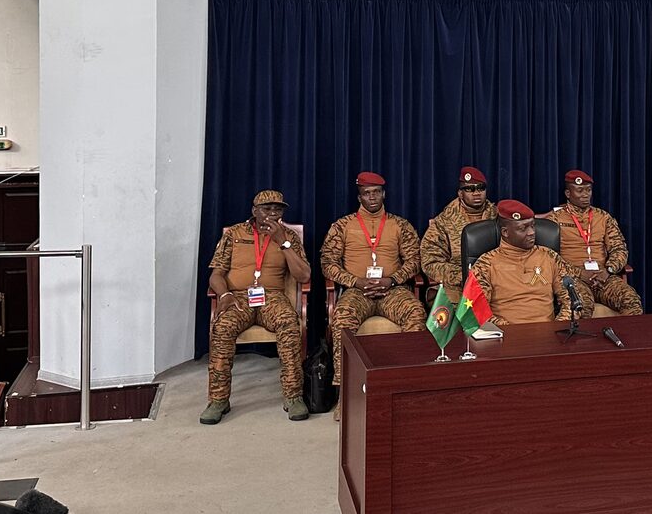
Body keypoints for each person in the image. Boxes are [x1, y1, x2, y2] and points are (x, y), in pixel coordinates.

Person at [202, 189, 312, 425]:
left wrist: (281, 242)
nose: (272, 214)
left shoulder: (288, 237)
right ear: (254, 211)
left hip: (272, 297)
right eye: (267, 209)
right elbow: (216, 275)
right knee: (222, 328)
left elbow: (303, 276)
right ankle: (218, 400)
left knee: (289, 324)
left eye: (278, 209)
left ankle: (293, 396)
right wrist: (224, 295)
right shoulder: (234, 234)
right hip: (238, 297)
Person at [322, 172, 425, 413]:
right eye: (367, 193)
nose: (372, 197)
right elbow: (327, 262)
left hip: (392, 290)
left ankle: (409, 386)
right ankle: (344, 394)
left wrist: (393, 279)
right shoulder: (343, 225)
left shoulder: (400, 225)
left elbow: (414, 260)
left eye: (376, 192)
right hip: (357, 291)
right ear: (359, 196)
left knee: (415, 313)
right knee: (342, 319)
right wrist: (354, 281)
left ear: (384, 194)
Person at [468, 200, 583, 326]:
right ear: (505, 232)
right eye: (523, 228)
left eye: (532, 226)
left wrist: (557, 328)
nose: (531, 232)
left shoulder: (549, 257)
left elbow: (572, 300)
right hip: (506, 336)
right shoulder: (485, 264)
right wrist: (513, 332)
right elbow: (476, 310)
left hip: (550, 335)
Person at [542, 170, 642, 315]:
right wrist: (579, 273)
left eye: (588, 190)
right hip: (573, 278)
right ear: (568, 194)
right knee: (582, 304)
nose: (585, 194)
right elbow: (548, 258)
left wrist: (609, 270)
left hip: (603, 276)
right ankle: (586, 339)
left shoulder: (603, 217)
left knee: (631, 300)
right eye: (580, 190)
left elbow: (619, 249)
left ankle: (625, 337)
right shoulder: (555, 219)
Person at [420, 166, 497, 302]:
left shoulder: (497, 217)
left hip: (495, 280)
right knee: (454, 310)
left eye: (481, 188)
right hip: (458, 284)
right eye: (469, 189)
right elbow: (430, 261)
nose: (476, 193)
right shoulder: (444, 221)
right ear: (460, 194)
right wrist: (463, 276)